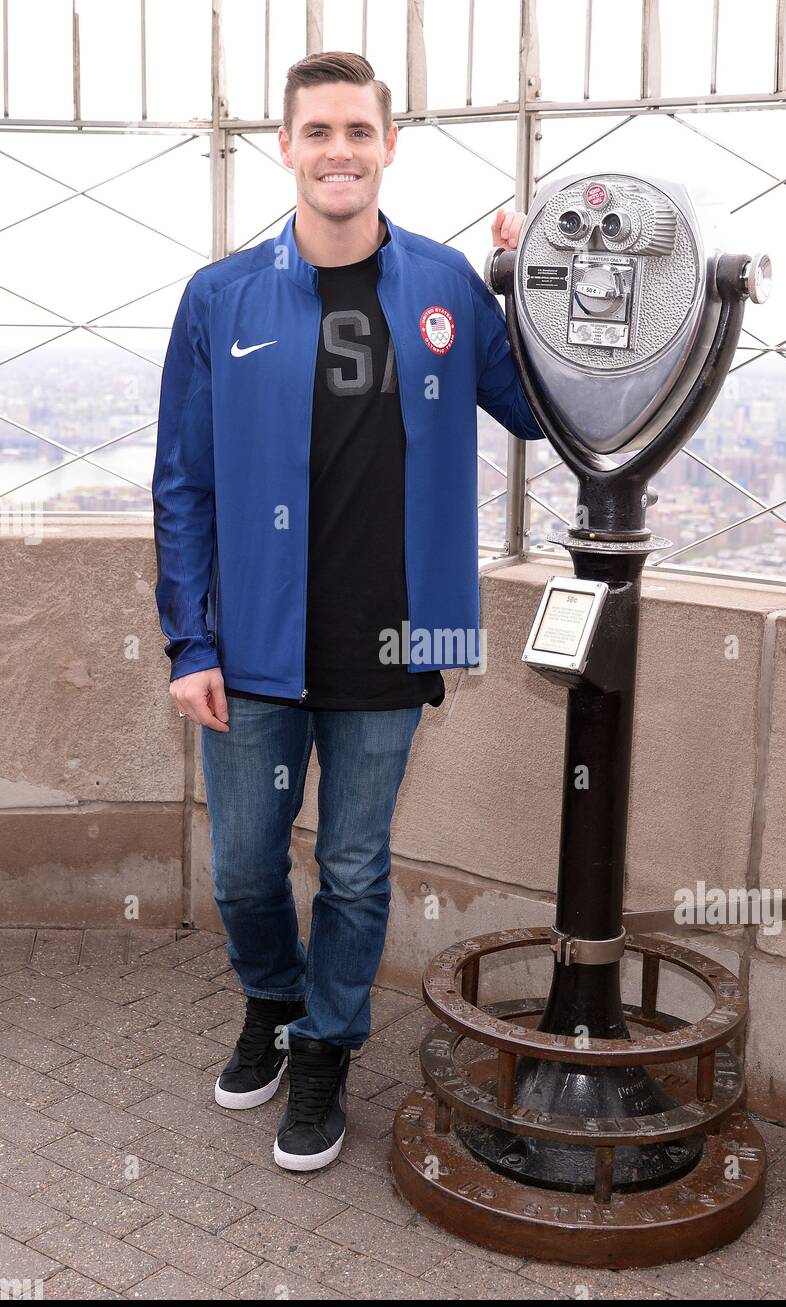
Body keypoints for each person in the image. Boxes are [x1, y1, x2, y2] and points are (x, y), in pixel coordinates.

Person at [152, 50, 543, 1174]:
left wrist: (526, 283)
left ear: (386, 147)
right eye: (315, 131)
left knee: (359, 868)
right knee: (242, 868)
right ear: (283, 146)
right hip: (255, 646)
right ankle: (272, 1005)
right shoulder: (219, 296)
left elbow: (527, 405)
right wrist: (191, 638)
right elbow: (181, 483)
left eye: (357, 132)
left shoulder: (441, 285)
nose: (337, 151)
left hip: (396, 639)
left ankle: (324, 1046)